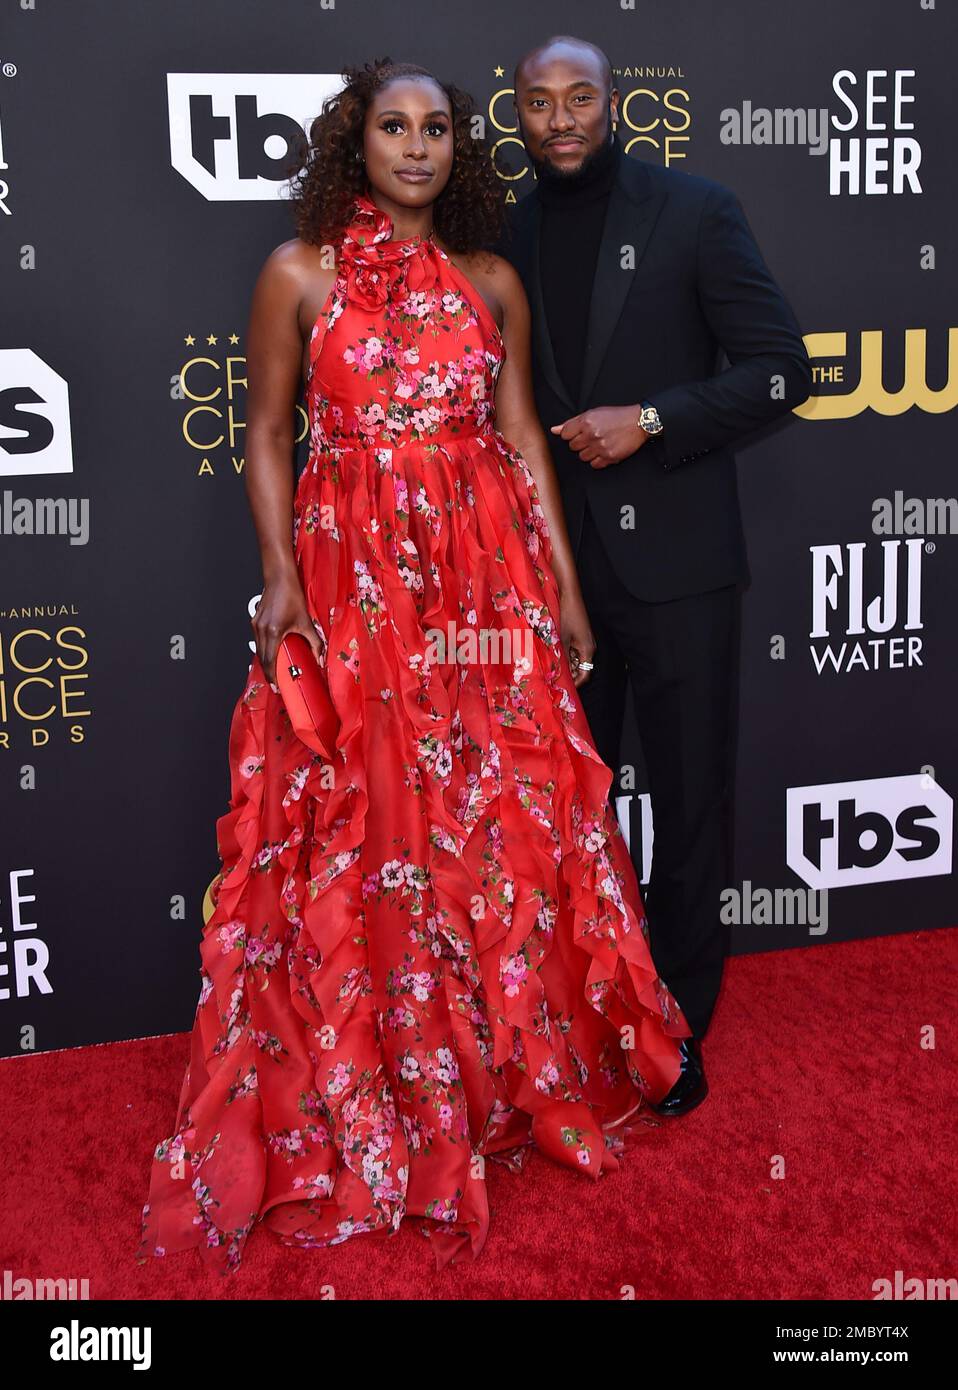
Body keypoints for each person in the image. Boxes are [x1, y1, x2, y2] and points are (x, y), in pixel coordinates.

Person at [137, 58, 691, 1276]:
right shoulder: (297, 275)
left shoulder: (489, 280)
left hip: (481, 577)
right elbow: (269, 433)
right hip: (351, 579)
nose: (418, 147)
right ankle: (379, 1063)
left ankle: (499, 1065)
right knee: (364, 813)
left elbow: (519, 440)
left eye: (438, 128)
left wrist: (563, 591)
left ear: (459, 148)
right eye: (394, 127)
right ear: (356, 142)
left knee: (491, 809)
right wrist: (279, 577)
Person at [498, 37, 813, 1115]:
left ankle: (675, 1028)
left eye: (578, 97)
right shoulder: (503, 232)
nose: (560, 118)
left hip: (677, 569)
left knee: (684, 807)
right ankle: (571, 1014)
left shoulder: (694, 208)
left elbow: (783, 370)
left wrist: (650, 419)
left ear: (612, 102)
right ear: (518, 114)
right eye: (538, 102)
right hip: (549, 580)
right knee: (558, 812)